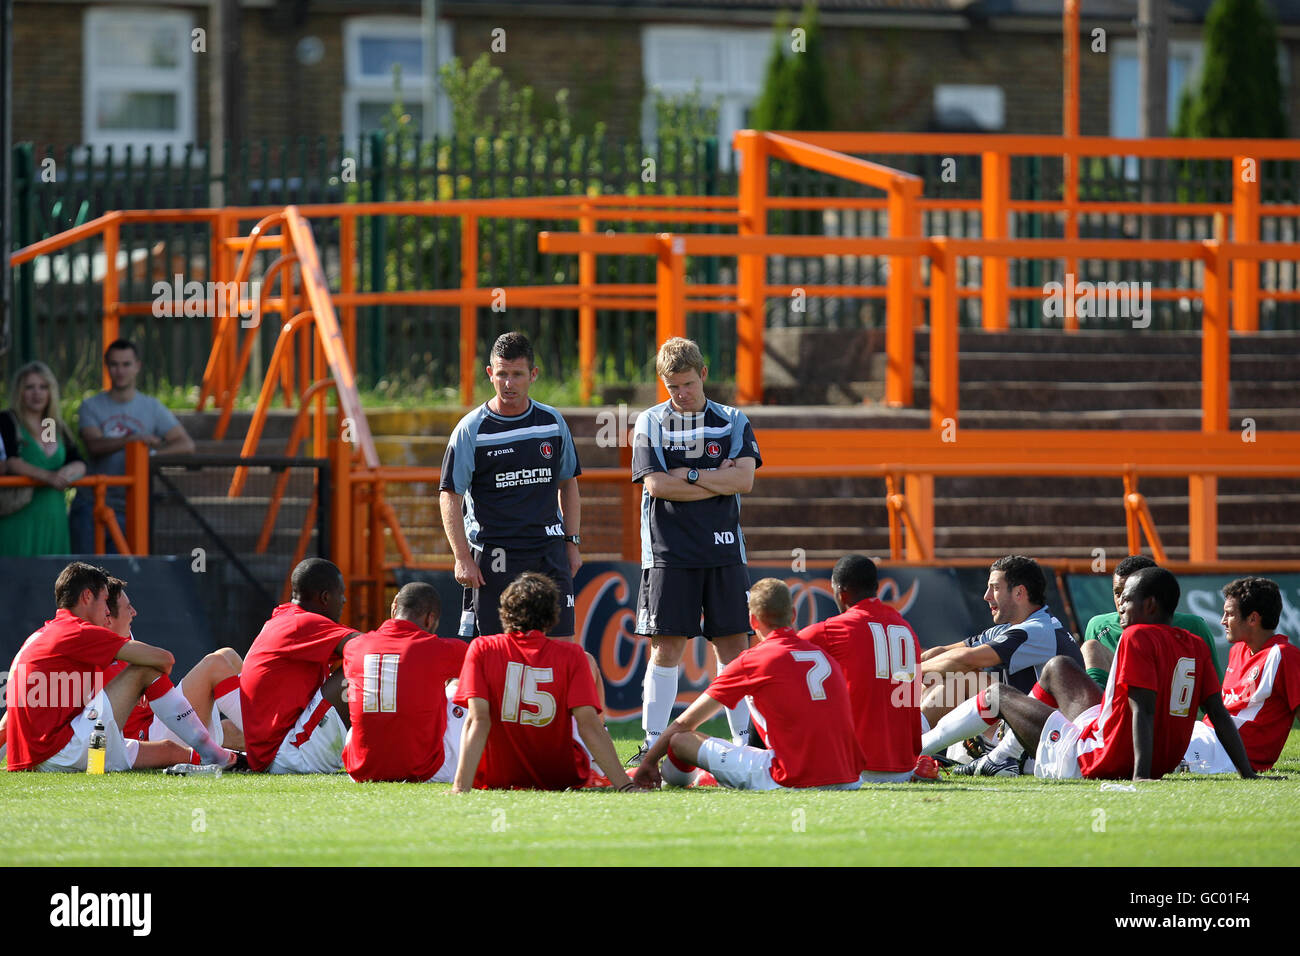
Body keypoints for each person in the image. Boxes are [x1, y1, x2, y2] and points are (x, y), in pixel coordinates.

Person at [926, 567, 1258, 781]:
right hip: (1153, 756)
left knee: (995, 693)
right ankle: (1004, 757)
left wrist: (1140, 777)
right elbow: (1218, 712)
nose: (1121, 607)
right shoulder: (1194, 643)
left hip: (1098, 759)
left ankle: (919, 751)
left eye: (1128, 600)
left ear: (1151, 605)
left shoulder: (1136, 636)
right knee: (1059, 668)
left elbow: (1142, 709)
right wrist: (1249, 774)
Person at [630, 336, 762, 762]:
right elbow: (655, 484)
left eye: (687, 384)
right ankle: (652, 744)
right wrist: (709, 478)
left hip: (723, 550)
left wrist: (686, 476)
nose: (681, 393)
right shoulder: (649, 422)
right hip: (668, 552)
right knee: (666, 646)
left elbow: (743, 481)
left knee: (733, 648)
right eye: (672, 386)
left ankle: (744, 745)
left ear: (703, 374)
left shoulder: (734, 420)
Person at [3, 562, 239, 772]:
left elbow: (10, 717)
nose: (107, 611)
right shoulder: (78, 633)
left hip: (47, 753)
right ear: (87, 597)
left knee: (173, 750)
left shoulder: (42, 636)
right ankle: (224, 752)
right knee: (146, 669)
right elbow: (165, 659)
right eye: (105, 601)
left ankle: (233, 755)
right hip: (65, 750)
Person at [632, 578, 861, 792]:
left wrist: (649, 761)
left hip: (790, 776)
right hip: (849, 777)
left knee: (680, 740)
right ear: (792, 614)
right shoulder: (824, 655)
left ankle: (672, 778)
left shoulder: (755, 659)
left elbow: (683, 723)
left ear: (753, 620)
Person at [439, 332, 582, 646]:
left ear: (533, 375)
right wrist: (462, 557)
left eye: (517, 374)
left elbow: (568, 483)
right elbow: (450, 495)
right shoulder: (471, 429)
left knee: (562, 647)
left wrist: (571, 542)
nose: (509, 383)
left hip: (548, 552)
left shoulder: (552, 423)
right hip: (494, 555)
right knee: (495, 650)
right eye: (502, 374)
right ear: (490, 374)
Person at [450, 572, 638, 792]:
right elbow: (589, 725)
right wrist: (625, 785)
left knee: (455, 691)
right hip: (559, 776)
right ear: (553, 616)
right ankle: (602, 768)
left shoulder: (483, 648)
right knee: (589, 667)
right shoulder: (572, 655)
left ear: (505, 611)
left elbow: (477, 720)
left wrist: (460, 787)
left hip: (497, 776)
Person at [919, 554, 1082, 760]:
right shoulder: (1014, 628)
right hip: (1025, 727)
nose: (987, 596)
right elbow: (943, 653)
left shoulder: (1037, 630)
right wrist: (917, 666)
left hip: (1047, 741)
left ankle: (906, 747)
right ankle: (906, 738)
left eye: (995, 588)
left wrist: (908, 672)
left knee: (962, 678)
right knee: (940, 671)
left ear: (1019, 592)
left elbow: (965, 660)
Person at [798, 555, 924, 782]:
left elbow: (777, 653)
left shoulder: (834, 629)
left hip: (853, 768)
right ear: (875, 588)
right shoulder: (907, 629)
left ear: (841, 592)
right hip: (904, 766)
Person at [70, 339, 195, 553]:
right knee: (84, 576)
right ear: (107, 367)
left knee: (123, 578)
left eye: (126, 364)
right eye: (114, 364)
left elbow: (186, 445)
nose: (120, 371)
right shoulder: (90, 405)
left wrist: (151, 454)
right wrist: (133, 440)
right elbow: (94, 446)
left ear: (137, 366)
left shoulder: (151, 406)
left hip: (133, 508)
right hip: (91, 504)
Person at [240, 558, 361, 774]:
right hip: (289, 756)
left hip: (275, 753)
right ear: (325, 597)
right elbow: (374, 649)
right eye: (341, 593)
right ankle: (390, 750)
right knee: (365, 668)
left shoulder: (285, 617)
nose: (344, 600)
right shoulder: (303, 623)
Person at [342, 582, 469, 783]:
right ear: (430, 618)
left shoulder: (354, 646)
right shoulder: (442, 649)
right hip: (424, 770)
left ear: (394, 607)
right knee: (456, 690)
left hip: (360, 768)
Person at [104, 576, 245, 752]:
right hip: (149, 739)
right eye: (128, 607)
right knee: (214, 664)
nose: (134, 612)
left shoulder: (124, 642)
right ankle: (270, 737)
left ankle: (273, 735)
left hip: (162, 721)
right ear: (108, 618)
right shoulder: (94, 654)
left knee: (227, 655)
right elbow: (166, 661)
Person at [1183, 577, 1300, 774]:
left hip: (1225, 755)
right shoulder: (1237, 650)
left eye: (1229, 614)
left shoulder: (1284, 655)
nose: (1222, 621)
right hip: (1205, 737)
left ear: (1253, 619)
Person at [1082, 554, 1223, 686]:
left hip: (1175, 711)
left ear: (1152, 597)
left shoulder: (1193, 627)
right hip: (1115, 710)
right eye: (1117, 592)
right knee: (1089, 649)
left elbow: (1215, 689)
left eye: (1129, 594)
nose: (1121, 601)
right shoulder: (1098, 626)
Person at [0, 361, 86, 556]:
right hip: (19, 514)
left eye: (43, 387)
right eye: (29, 387)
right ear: (19, 391)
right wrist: (48, 477)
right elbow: (12, 461)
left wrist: (67, 473)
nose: (37, 393)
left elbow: (77, 460)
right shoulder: (8, 420)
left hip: (54, 514)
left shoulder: (51, 425)